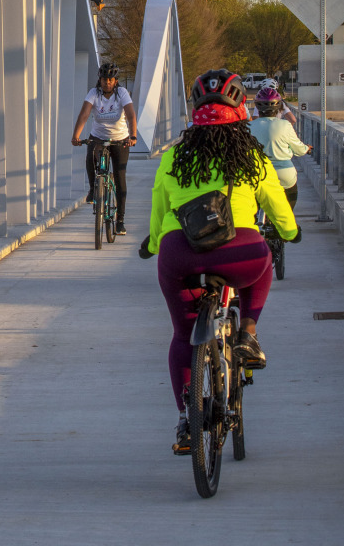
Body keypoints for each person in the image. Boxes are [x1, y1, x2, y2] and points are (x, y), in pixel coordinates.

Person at [139, 69, 299, 454]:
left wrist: (154, 242)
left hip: (180, 252)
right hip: (238, 249)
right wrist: (290, 232)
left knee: (183, 335)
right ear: (242, 109)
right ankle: (247, 331)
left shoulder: (176, 155)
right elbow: (277, 206)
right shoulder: (251, 157)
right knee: (260, 264)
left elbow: (160, 209)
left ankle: (186, 419)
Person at [71, 61, 137, 235]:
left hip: (120, 139)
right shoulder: (94, 93)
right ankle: (94, 189)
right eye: (104, 79)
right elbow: (84, 114)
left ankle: (120, 221)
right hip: (98, 137)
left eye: (110, 79)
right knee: (91, 154)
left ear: (115, 81)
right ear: (99, 80)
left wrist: (133, 136)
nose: (107, 82)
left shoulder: (122, 93)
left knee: (120, 176)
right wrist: (76, 136)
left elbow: (130, 115)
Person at [249, 85, 312, 209]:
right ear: (278, 107)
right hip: (283, 173)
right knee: (288, 205)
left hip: (257, 172)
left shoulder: (249, 127)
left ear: (257, 106)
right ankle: (288, 222)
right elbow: (299, 150)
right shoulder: (285, 125)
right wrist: (306, 148)